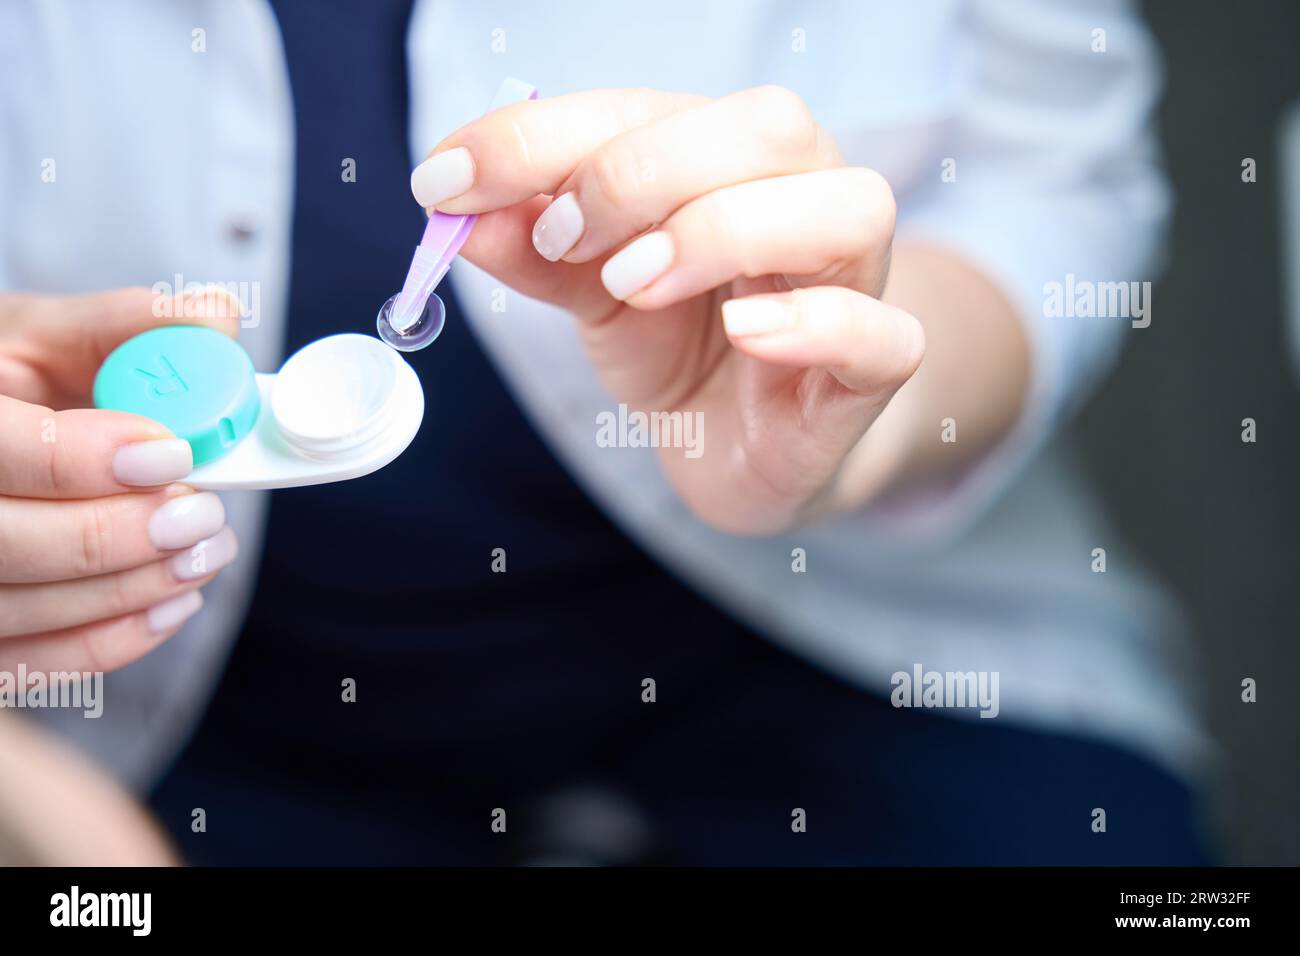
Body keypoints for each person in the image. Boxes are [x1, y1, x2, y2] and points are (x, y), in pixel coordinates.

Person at [0, 0, 1211, 864]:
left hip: (853, 656)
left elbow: (1055, 179)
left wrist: (855, 412)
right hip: (191, 720)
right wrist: (35, 795)